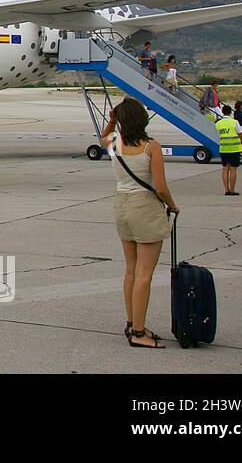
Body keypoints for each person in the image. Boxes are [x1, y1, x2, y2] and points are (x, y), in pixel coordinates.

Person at [102, 98, 178, 349]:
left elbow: (103, 137)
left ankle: (132, 321)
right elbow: (161, 187)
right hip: (144, 207)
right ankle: (138, 331)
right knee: (145, 274)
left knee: (131, 270)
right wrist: (173, 206)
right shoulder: (151, 146)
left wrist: (112, 121)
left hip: (121, 205)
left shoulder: (114, 143)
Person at [214, 105, 242, 196]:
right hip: (234, 148)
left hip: (224, 148)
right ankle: (232, 190)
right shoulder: (234, 122)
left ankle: (226, 189)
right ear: (230, 112)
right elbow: (241, 135)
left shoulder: (218, 124)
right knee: (233, 169)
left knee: (225, 168)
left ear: (222, 112)